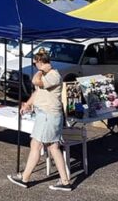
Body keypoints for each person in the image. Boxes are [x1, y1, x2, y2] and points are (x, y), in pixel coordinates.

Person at [8, 49, 73, 192]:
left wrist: (41, 70)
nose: (34, 65)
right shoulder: (46, 75)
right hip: (45, 115)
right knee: (53, 147)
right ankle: (65, 181)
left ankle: (24, 178)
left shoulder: (53, 75)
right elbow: (37, 91)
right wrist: (28, 104)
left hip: (48, 116)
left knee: (36, 145)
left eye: (35, 63)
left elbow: (35, 81)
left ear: (40, 62)